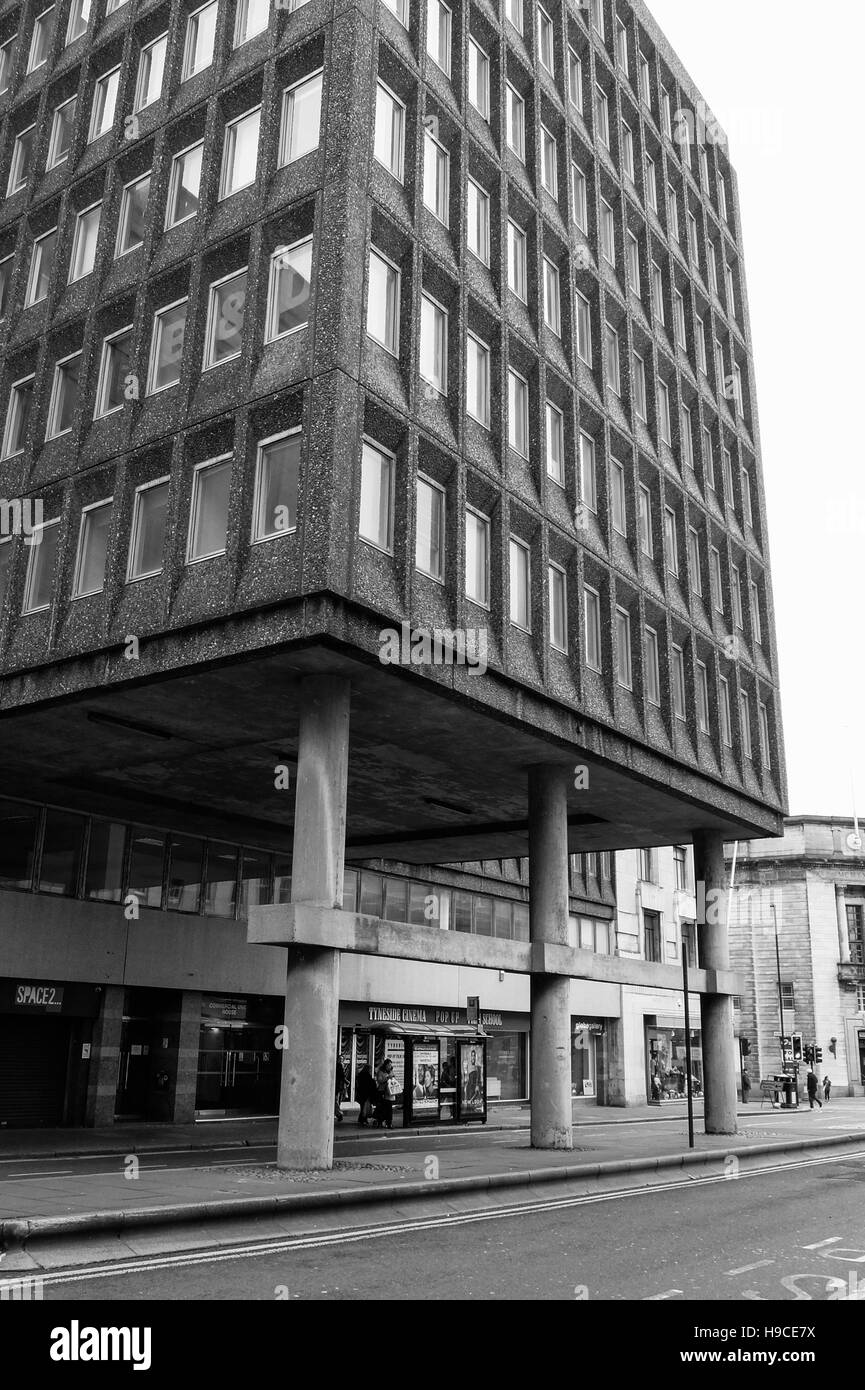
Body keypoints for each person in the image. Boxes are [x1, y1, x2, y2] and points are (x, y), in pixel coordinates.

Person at [374, 1058, 395, 1128]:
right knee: (381, 1108)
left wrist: (392, 1079)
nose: (390, 1066)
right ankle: (380, 1121)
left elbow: (394, 1080)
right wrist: (387, 1078)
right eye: (389, 1065)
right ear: (385, 1065)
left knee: (389, 1108)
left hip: (390, 1092)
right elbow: (379, 1081)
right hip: (382, 1092)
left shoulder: (391, 1071)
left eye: (390, 1065)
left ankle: (389, 1123)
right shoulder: (381, 1072)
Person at [334, 1056, 347, 1123]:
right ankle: (338, 1113)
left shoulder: (340, 1065)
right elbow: (342, 1076)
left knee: (337, 1100)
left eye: (342, 1059)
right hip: (338, 1086)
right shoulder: (339, 1066)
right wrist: (347, 1081)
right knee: (336, 1100)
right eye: (340, 1059)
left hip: (339, 1086)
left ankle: (337, 1113)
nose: (341, 1060)